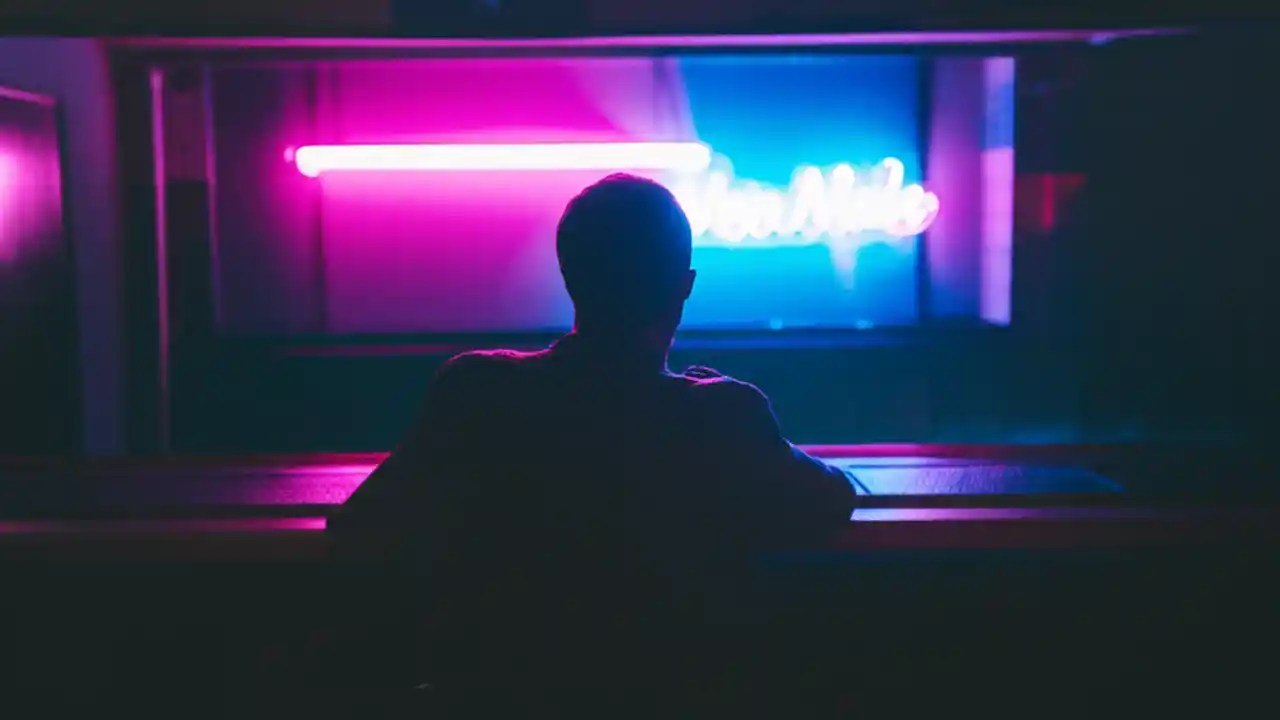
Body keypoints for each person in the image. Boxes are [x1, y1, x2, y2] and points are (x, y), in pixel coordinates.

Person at [327, 174, 857, 710]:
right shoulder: (723, 414)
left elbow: (361, 526)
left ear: (569, 275)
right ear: (684, 285)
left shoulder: (474, 392)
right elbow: (832, 499)